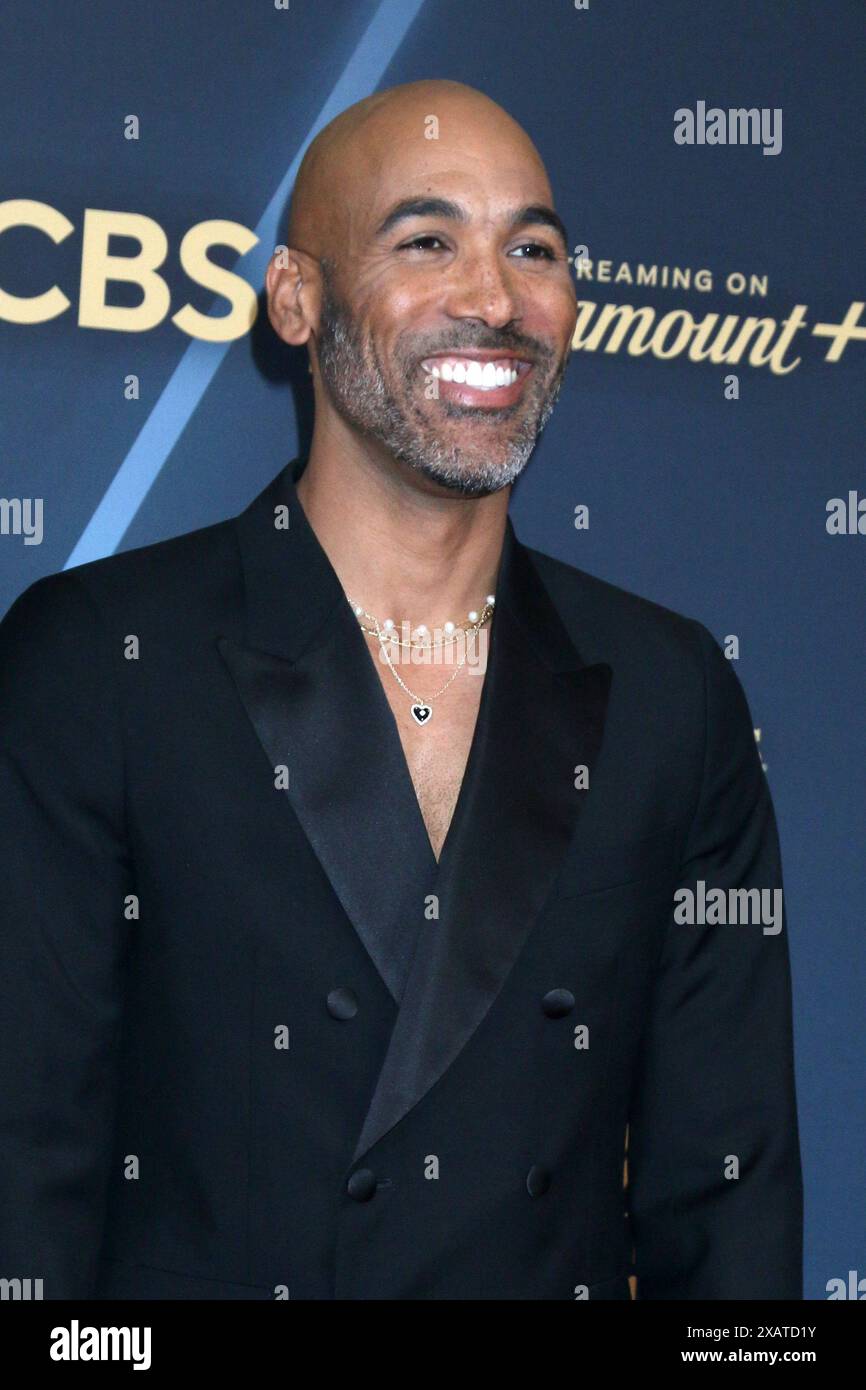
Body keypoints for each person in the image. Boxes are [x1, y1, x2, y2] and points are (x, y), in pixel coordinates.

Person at [0, 79, 802, 1300]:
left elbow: (728, 1193)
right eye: (426, 240)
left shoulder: (669, 691)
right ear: (294, 296)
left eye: (531, 248)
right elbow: (25, 1173)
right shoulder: (101, 657)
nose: (494, 299)